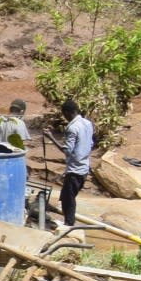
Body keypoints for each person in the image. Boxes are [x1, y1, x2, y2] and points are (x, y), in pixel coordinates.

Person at [55, 96, 94, 229]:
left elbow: (66, 150)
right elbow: (91, 143)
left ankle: (69, 224)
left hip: (74, 169)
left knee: (68, 199)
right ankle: (68, 221)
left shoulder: (72, 128)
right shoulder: (87, 123)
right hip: (84, 167)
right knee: (66, 196)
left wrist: (50, 137)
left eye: (64, 114)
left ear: (67, 113)